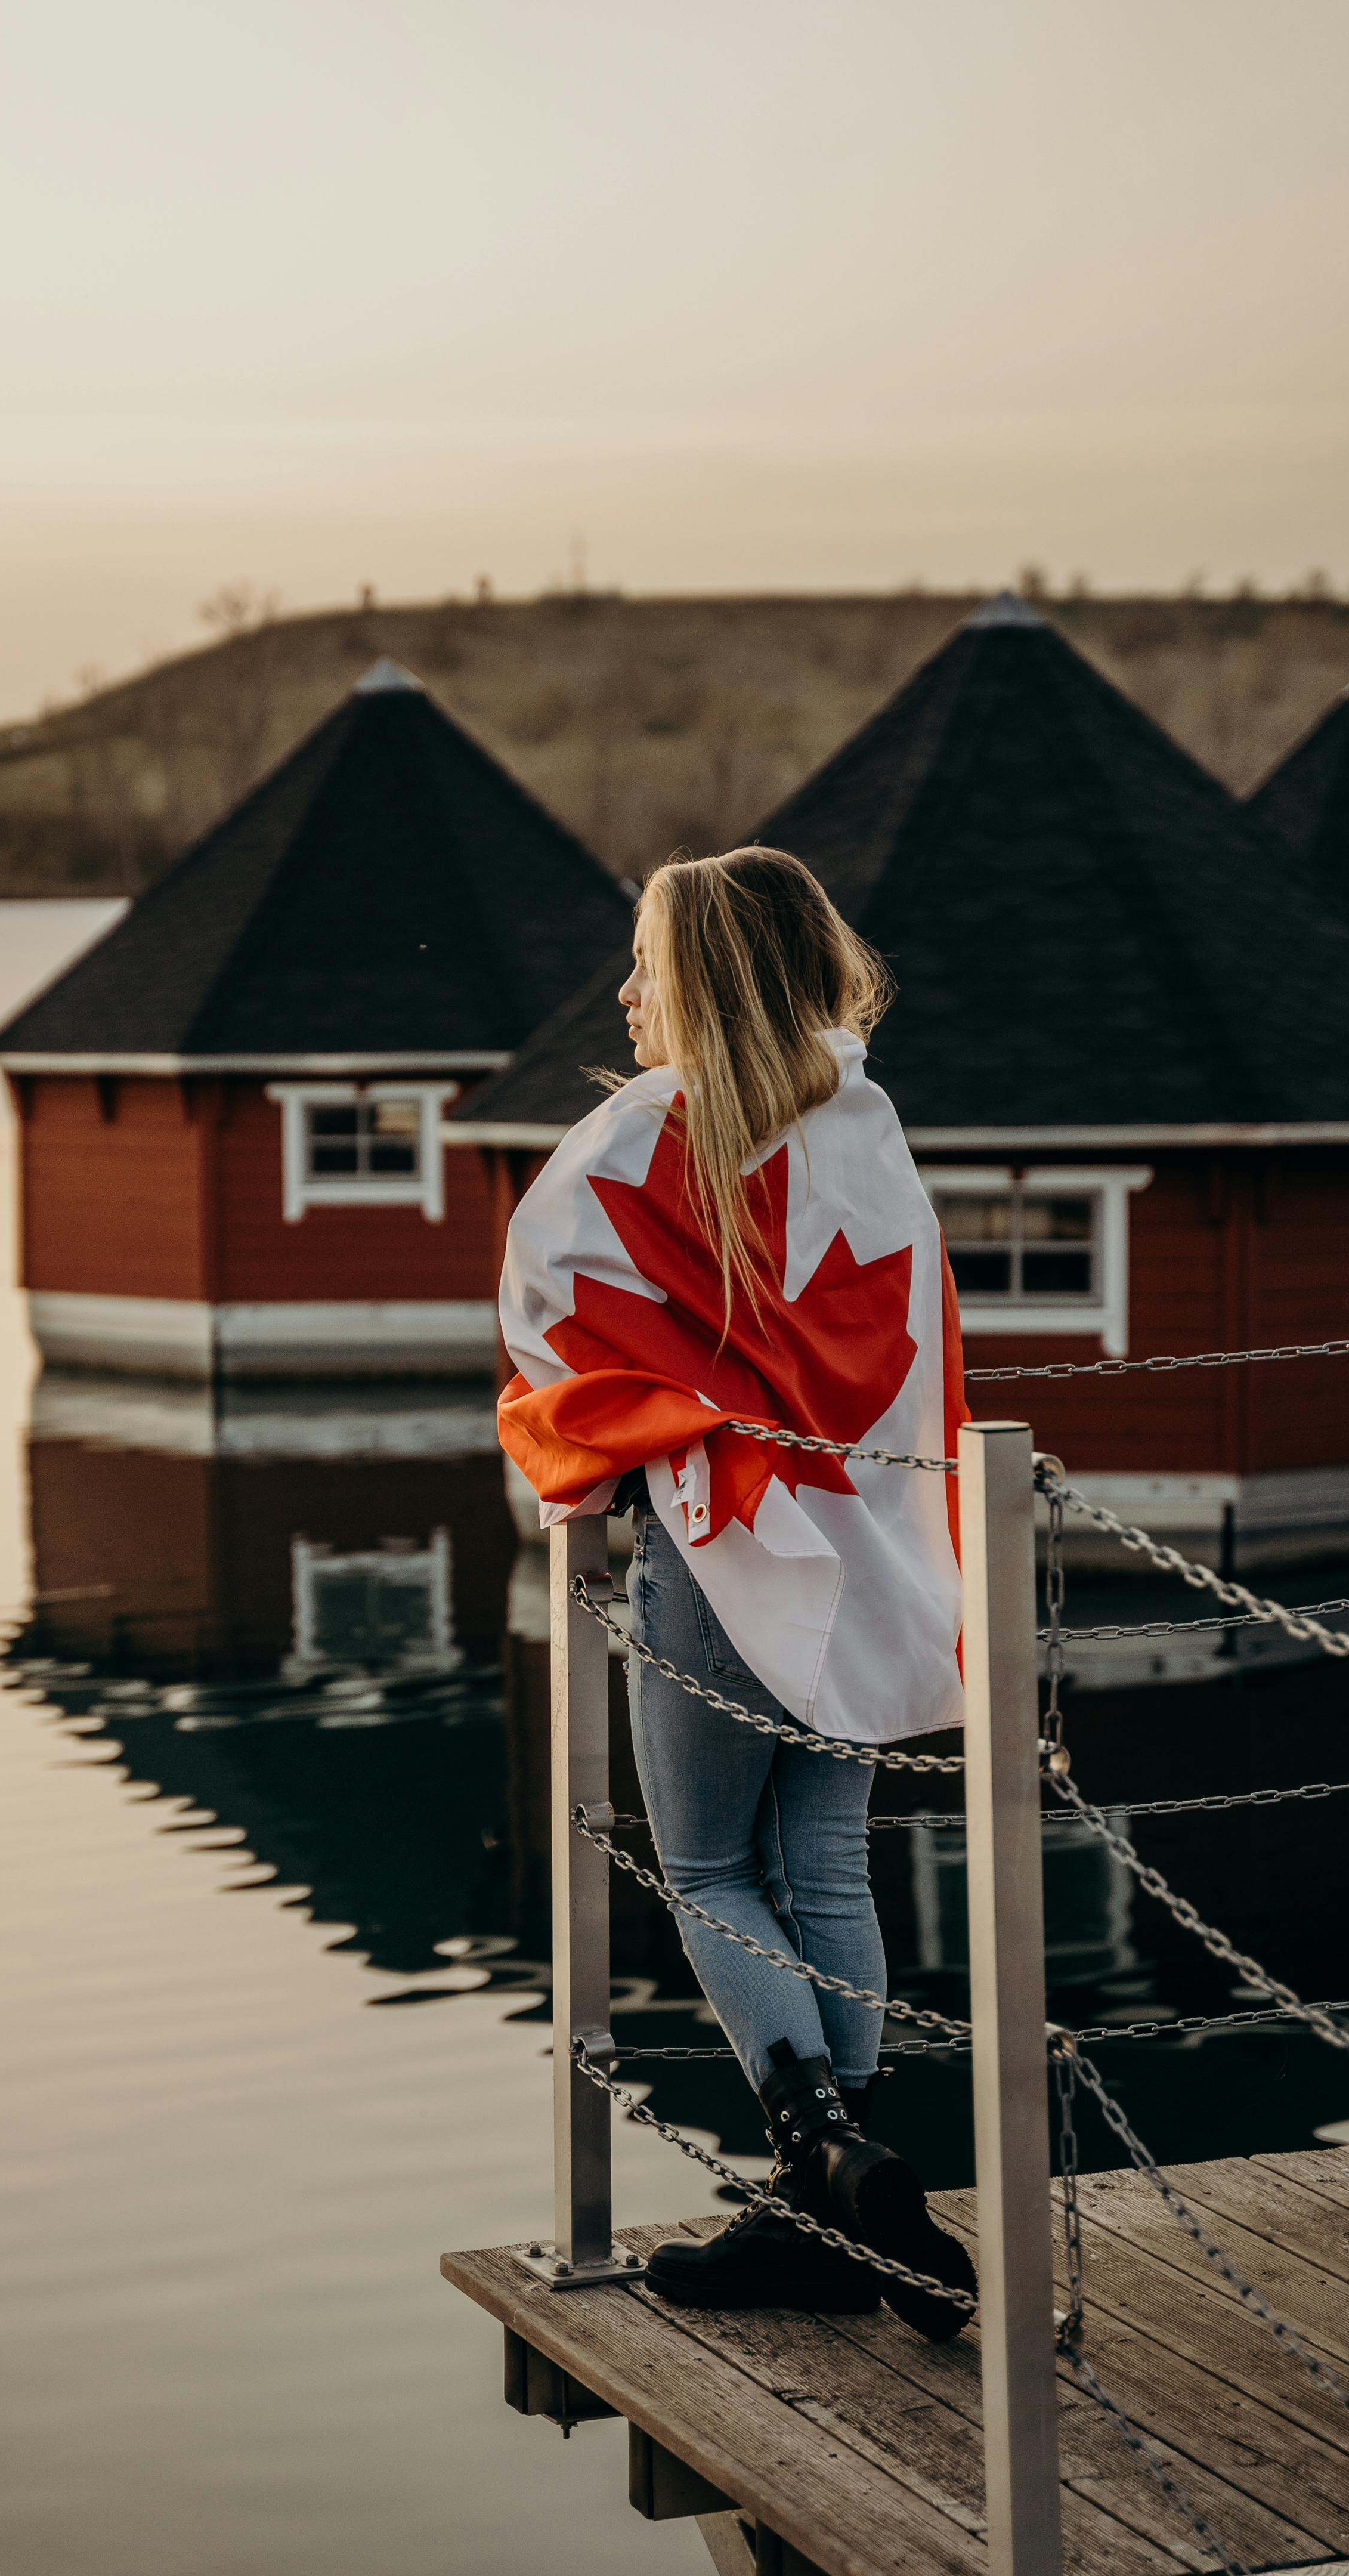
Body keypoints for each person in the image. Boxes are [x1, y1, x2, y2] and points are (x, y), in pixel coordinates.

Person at [497, 848, 976, 2340]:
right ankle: (848, 2198)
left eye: (645, 964)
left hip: (727, 1541)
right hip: (867, 1543)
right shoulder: (864, 1123)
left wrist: (648, 1432)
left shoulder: (657, 1127)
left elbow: (551, 1307)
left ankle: (817, 2165)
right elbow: (907, 1342)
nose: (628, 995)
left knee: (706, 1869)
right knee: (826, 1868)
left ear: (703, 974)